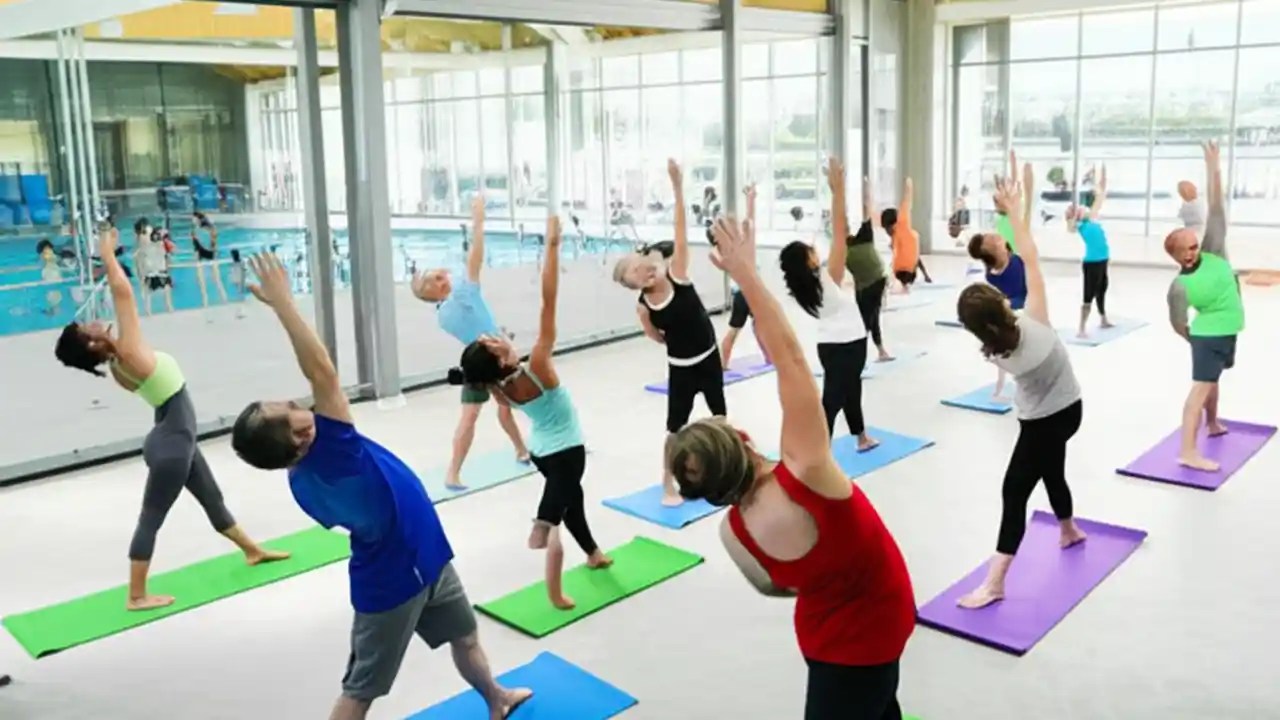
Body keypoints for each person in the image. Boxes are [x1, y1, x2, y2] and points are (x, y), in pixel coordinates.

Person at [229, 253, 532, 720]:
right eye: (293, 410)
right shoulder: (335, 454)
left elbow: (318, 385)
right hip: (392, 582)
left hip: (426, 555)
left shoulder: (306, 471)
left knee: (465, 635)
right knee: (362, 689)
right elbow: (323, 370)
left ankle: (495, 698)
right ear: (301, 438)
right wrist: (284, 303)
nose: (303, 403)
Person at [668, 214, 915, 720]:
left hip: (828, 641)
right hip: (878, 626)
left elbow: (779, 586)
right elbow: (793, 362)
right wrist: (746, 275)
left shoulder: (732, 533)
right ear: (741, 438)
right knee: (876, 702)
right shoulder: (806, 468)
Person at [52, 228, 287, 612]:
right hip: (172, 446)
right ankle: (136, 596)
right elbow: (123, 292)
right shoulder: (127, 352)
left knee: (213, 500)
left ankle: (253, 551)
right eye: (87, 328)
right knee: (151, 519)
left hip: (174, 436)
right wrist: (107, 254)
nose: (93, 322)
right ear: (92, 344)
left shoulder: (118, 365)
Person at [451, 215, 612, 611]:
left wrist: (504, 354)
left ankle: (591, 552)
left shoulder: (498, 389)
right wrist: (553, 249)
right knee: (559, 515)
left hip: (541, 450)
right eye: (493, 341)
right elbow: (549, 300)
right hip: (568, 447)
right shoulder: (539, 364)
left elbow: (496, 372)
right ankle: (553, 574)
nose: (496, 334)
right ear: (502, 356)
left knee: (573, 500)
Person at [954, 167, 1086, 610]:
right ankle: (1068, 530)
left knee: (1015, 491)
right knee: (1052, 470)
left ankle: (995, 583)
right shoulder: (1037, 318)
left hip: (1040, 419)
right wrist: (1015, 210)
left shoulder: (993, 352)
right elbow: (1030, 257)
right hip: (1071, 409)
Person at [613, 159, 725, 508]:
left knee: (720, 414)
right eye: (633, 275)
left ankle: (725, 466)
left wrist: (677, 188)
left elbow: (679, 231)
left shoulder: (677, 273)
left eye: (640, 265)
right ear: (633, 285)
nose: (641, 272)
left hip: (709, 357)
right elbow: (654, 336)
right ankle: (667, 481)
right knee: (675, 428)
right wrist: (663, 336)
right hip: (681, 367)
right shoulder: (645, 306)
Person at [412, 196, 530, 489]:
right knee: (526, 401)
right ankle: (532, 447)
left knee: (483, 413)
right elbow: (475, 258)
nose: (445, 275)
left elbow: (476, 326)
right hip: (495, 359)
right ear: (434, 288)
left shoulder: (442, 315)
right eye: (439, 276)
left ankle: (518, 450)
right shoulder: (460, 296)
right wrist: (478, 221)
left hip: (477, 361)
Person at [779, 158, 878, 451]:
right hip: (848, 345)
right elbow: (839, 232)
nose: (816, 251)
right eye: (811, 251)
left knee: (851, 390)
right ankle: (818, 451)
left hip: (833, 345)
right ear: (808, 261)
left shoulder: (805, 286)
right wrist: (837, 191)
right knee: (833, 399)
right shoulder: (826, 278)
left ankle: (861, 437)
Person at [1164, 140, 1242, 473]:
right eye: (1185, 250)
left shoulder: (1213, 252)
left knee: (1214, 380)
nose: (1192, 251)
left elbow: (1216, 209)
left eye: (1193, 246)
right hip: (1210, 335)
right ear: (1176, 256)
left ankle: (1212, 424)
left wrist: (1213, 168)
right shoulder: (1179, 287)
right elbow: (1178, 322)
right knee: (1200, 389)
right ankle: (1187, 451)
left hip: (1227, 331)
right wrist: (1196, 340)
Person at [968, 151, 1034, 399]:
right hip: (1015, 301)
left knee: (1014, 345)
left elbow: (1017, 202)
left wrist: (1018, 172)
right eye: (991, 240)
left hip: (1019, 295)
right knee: (1010, 345)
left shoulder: (1005, 243)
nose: (994, 236)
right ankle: (1003, 383)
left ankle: (1007, 381)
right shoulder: (996, 267)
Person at [846, 177, 894, 362]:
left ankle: (864, 356)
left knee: (867, 321)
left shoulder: (864, 235)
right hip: (864, 287)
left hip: (876, 282)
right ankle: (880, 351)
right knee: (870, 319)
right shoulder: (841, 251)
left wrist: (867, 188)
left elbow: (867, 207)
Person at [721, 184, 768, 368]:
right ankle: (722, 363)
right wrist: (751, 200)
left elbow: (750, 220)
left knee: (759, 327)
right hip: (746, 294)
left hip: (744, 293)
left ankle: (768, 357)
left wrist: (751, 199)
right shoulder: (741, 247)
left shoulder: (735, 247)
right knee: (740, 329)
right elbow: (750, 221)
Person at [1066, 165, 1114, 338]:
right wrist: (1070, 217)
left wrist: (1101, 178)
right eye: (1079, 210)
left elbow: (1100, 196)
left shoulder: (1092, 219)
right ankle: (1081, 327)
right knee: (1088, 295)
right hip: (1091, 263)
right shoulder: (1080, 225)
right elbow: (1070, 227)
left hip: (1102, 260)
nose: (1082, 209)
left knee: (1102, 290)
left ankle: (1103, 318)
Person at [882, 177, 931, 293]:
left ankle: (900, 287)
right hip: (910, 273)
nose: (886, 233)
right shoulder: (902, 236)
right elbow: (915, 257)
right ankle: (901, 286)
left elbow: (906, 204)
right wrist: (926, 275)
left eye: (885, 229)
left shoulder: (901, 228)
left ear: (890, 226)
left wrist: (908, 188)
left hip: (903, 273)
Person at [191, 211, 229, 310]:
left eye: (194, 218)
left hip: (210, 255)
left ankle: (224, 299)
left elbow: (213, 244)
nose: (192, 220)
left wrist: (214, 253)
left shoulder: (209, 229)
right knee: (201, 280)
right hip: (201, 255)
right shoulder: (195, 231)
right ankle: (205, 301)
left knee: (216, 279)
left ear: (198, 219)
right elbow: (196, 247)